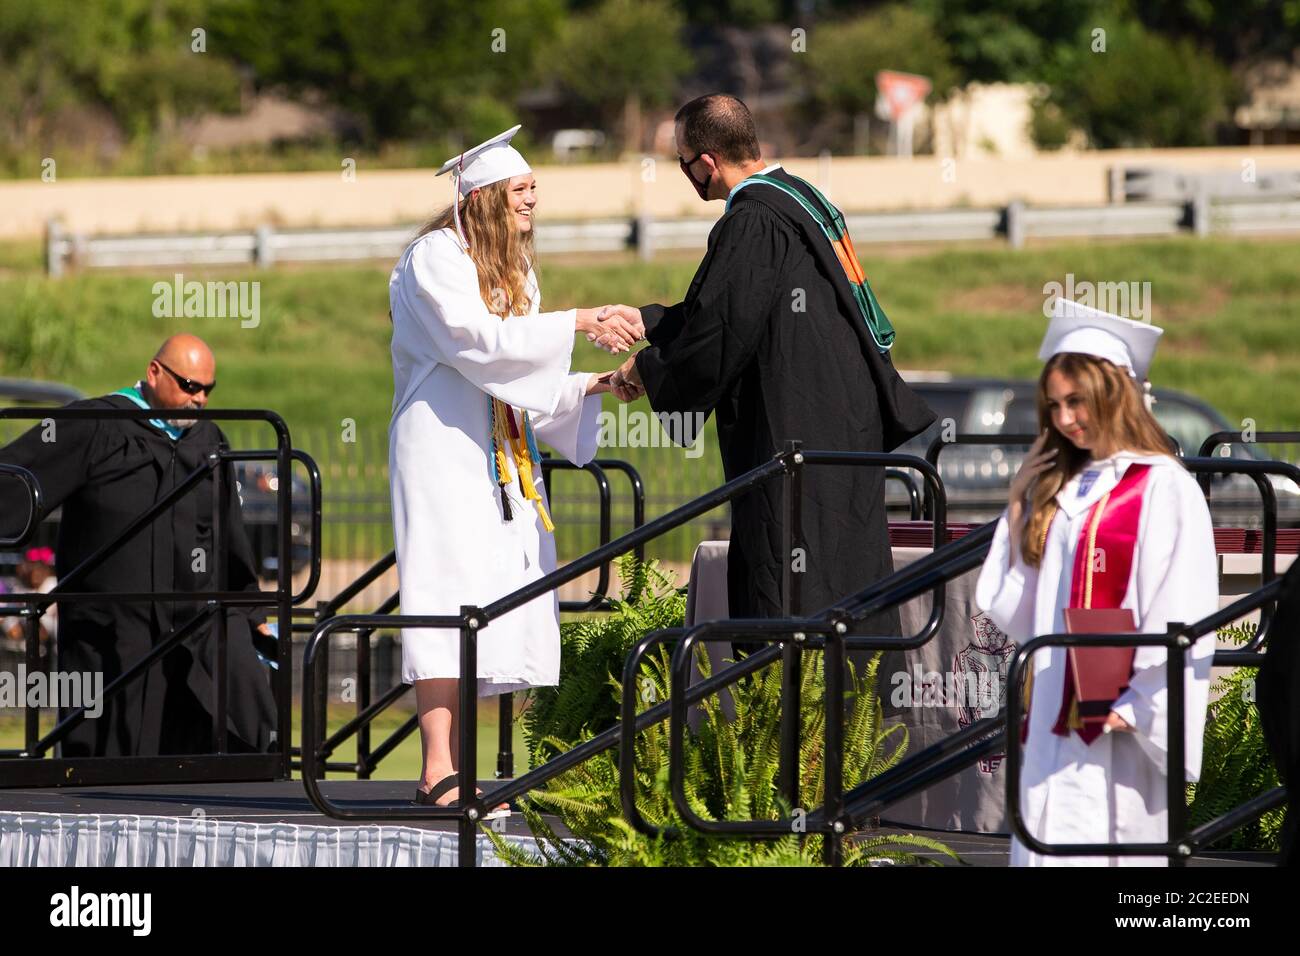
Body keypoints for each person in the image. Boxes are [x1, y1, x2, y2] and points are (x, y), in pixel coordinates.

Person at [605, 94, 934, 634]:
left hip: (794, 434)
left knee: (793, 586)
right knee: (845, 580)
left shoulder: (754, 218)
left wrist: (650, 370)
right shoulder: (801, 197)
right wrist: (648, 321)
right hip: (840, 427)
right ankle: (850, 716)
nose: (686, 175)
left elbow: (722, 330)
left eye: (684, 162)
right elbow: (733, 304)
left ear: (706, 162)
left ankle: (798, 718)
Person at [389, 125, 643, 810]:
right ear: (485, 196)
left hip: (501, 456)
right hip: (442, 453)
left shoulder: (513, 273)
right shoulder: (432, 260)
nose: (533, 202)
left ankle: (463, 769)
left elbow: (518, 376)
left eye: (534, 191)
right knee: (444, 595)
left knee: (492, 594)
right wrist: (580, 320)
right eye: (521, 191)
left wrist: (593, 383)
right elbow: (482, 345)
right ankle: (438, 767)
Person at [975, 298, 1220, 866]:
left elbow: (1186, 611)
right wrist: (1017, 504)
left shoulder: (1165, 489)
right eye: (1055, 405)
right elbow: (1019, 610)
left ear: (1114, 393)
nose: (1064, 419)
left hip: (1120, 725)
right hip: (1053, 714)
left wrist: (1137, 704)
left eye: (1077, 401)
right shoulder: (1061, 489)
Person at [0, 334, 277, 756]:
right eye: (189, 386)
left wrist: (251, 609)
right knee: (108, 762)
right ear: (154, 372)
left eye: (208, 389)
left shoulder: (208, 442)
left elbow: (226, 538)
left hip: (187, 630)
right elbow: (19, 477)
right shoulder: (95, 426)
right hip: (110, 631)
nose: (199, 399)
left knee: (214, 729)